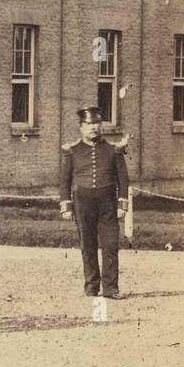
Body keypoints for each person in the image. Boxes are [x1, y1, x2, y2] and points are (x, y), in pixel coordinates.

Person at [59, 105, 131, 299]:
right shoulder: (72, 151)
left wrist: (122, 204)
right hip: (82, 204)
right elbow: (64, 180)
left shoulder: (113, 150)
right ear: (81, 127)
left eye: (97, 123)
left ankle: (110, 289)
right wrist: (66, 206)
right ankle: (91, 287)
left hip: (107, 204)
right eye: (89, 124)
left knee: (110, 245)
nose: (93, 128)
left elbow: (123, 179)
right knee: (87, 245)